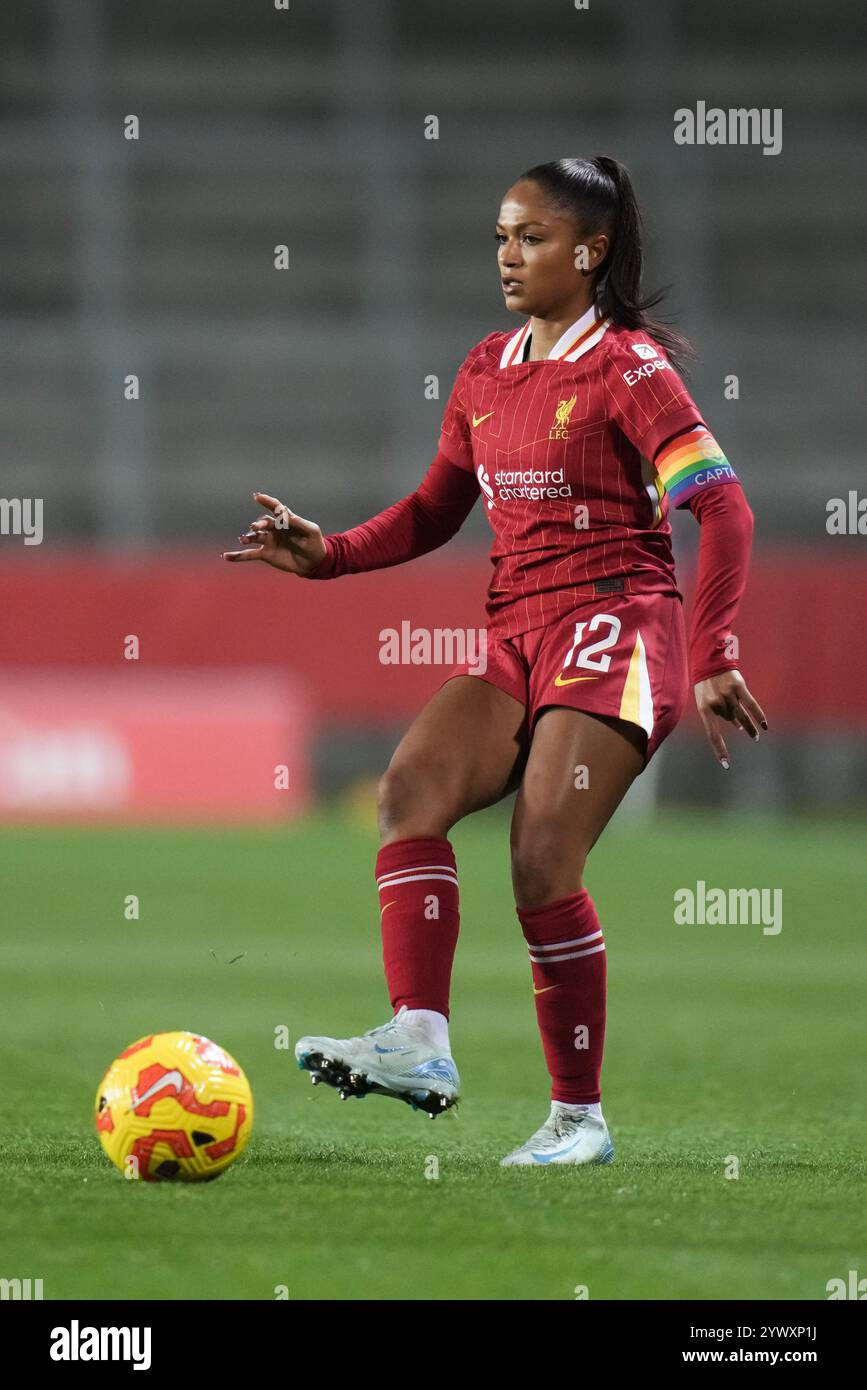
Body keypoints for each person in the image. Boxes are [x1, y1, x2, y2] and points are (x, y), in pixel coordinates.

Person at [223, 156, 766, 1167]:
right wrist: (328, 552)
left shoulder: (632, 370)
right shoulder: (485, 367)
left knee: (539, 854)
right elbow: (438, 507)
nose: (509, 256)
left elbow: (723, 506)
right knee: (410, 787)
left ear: (589, 252)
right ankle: (421, 1041)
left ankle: (578, 1118)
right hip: (518, 631)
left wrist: (718, 650)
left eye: (532, 237)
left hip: (617, 627)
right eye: (501, 237)